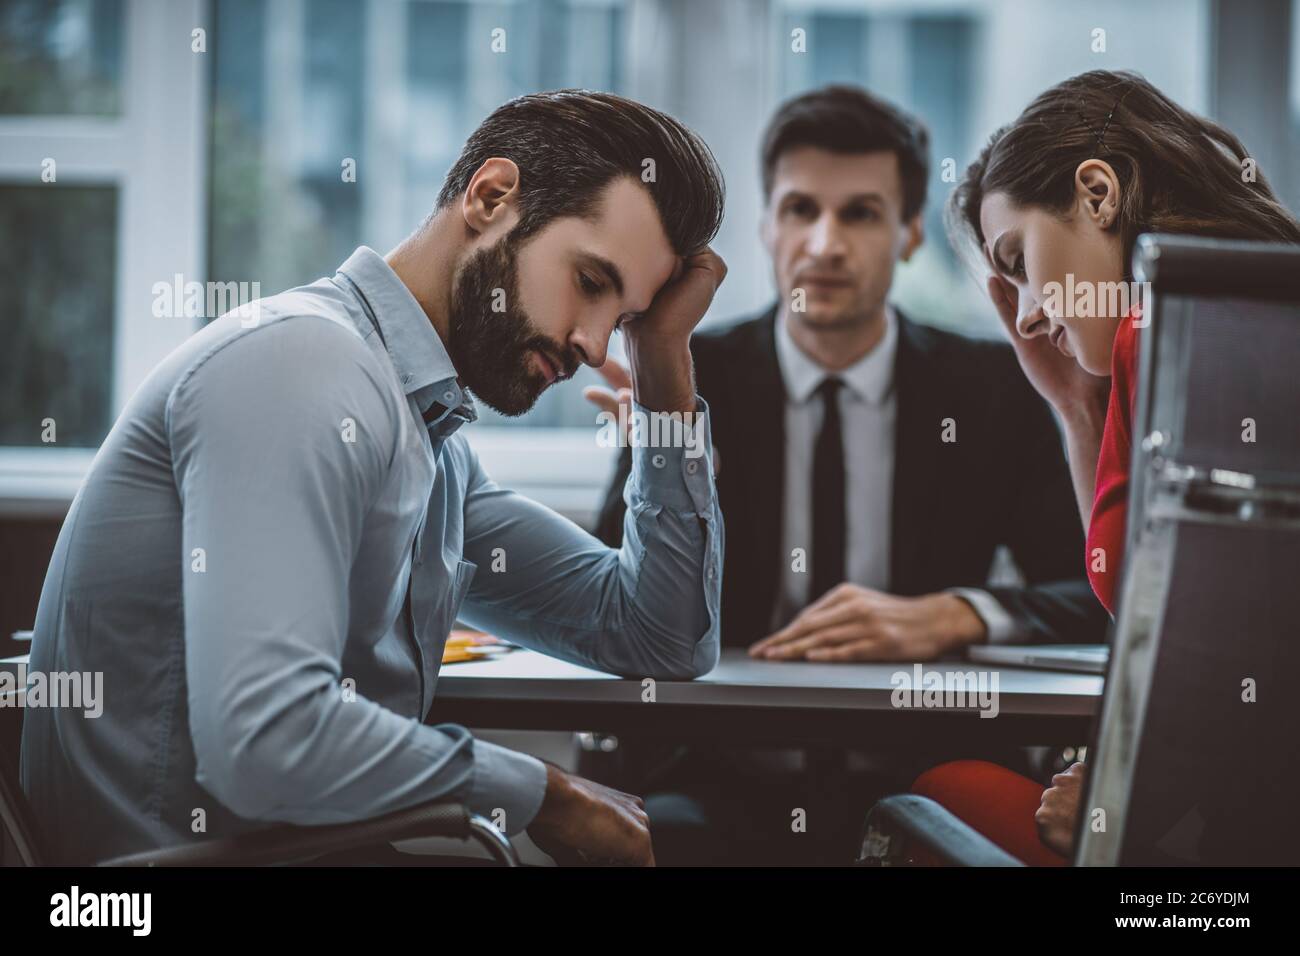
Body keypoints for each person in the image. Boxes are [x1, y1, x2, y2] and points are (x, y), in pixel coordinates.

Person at [21, 90, 729, 866]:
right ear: (491, 198)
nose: (596, 345)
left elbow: (660, 635)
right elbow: (269, 742)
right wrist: (543, 794)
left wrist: (664, 364)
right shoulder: (301, 367)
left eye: (622, 319)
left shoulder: (435, 447)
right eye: (591, 283)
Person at [587, 85, 1108, 865]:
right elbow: (609, 603)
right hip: (717, 776)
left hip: (920, 776)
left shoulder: (995, 387)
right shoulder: (687, 375)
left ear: (906, 235)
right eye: (800, 209)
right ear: (766, 226)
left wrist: (956, 614)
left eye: (861, 214)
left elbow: (1095, 595)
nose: (825, 244)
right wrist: (667, 477)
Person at [914, 69, 1300, 864]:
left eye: (1018, 259)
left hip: (1224, 846)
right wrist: (1075, 406)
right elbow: (1173, 622)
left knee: (940, 793)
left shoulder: (1155, 332)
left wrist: (1127, 803)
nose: (1021, 312)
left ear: (1097, 192)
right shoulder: (1240, 320)